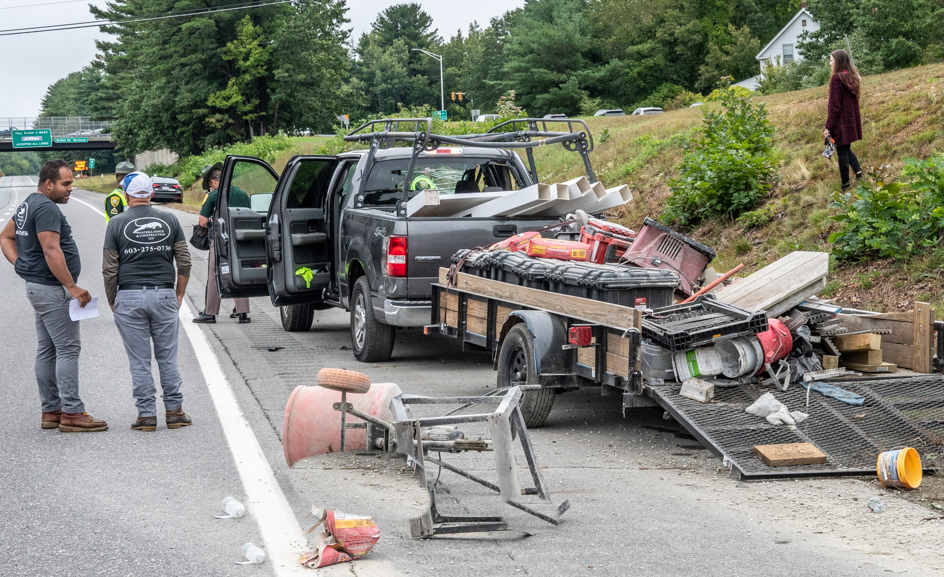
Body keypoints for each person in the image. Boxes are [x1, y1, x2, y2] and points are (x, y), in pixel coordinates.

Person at [0, 159, 107, 432]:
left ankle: (51, 411)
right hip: (51, 289)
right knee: (68, 349)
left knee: (47, 349)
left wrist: (21, 265)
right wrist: (71, 286)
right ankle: (72, 412)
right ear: (49, 184)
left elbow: (5, 237)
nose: (71, 188)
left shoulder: (28, 203)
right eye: (66, 183)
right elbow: (51, 249)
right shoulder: (46, 207)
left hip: (39, 287)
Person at [102, 172, 192, 431]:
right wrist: (179, 293)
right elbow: (184, 261)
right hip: (164, 294)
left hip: (128, 296)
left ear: (127, 195)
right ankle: (175, 411)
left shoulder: (116, 224)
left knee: (139, 361)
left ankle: (146, 415)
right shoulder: (170, 219)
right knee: (167, 357)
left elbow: (109, 269)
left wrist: (112, 300)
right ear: (151, 193)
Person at [192, 162, 251, 324]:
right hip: (240, 240)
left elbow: (202, 222)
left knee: (214, 275)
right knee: (239, 274)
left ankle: (210, 312)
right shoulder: (242, 194)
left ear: (213, 181)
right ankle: (242, 313)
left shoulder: (213, 196)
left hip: (219, 241)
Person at [824, 49, 863, 191]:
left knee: (842, 151)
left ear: (838, 61)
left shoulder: (837, 79)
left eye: (831, 60)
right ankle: (858, 173)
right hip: (850, 121)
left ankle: (845, 185)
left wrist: (828, 127)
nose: (830, 63)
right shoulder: (852, 77)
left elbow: (834, 106)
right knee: (846, 148)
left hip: (840, 122)